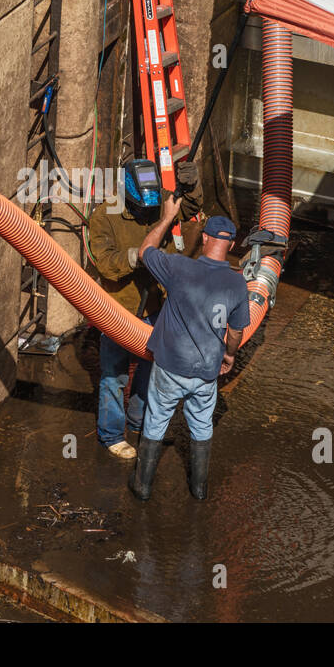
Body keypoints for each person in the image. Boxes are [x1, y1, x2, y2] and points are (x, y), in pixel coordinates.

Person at [129, 198, 249, 500]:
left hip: (170, 365)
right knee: (201, 426)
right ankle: (199, 488)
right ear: (232, 246)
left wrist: (168, 217)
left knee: (156, 420)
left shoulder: (178, 267)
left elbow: (146, 252)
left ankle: (142, 488)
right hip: (206, 370)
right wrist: (229, 354)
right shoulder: (237, 285)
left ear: (205, 238)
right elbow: (235, 331)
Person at [87, 159, 203, 459]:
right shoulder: (103, 216)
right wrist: (141, 256)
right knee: (114, 374)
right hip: (118, 309)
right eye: (139, 209)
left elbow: (188, 208)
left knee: (150, 367)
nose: (145, 214)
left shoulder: (159, 201)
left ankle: (139, 422)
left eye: (148, 210)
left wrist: (191, 187)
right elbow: (106, 267)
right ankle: (111, 434)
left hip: (155, 304)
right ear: (127, 194)